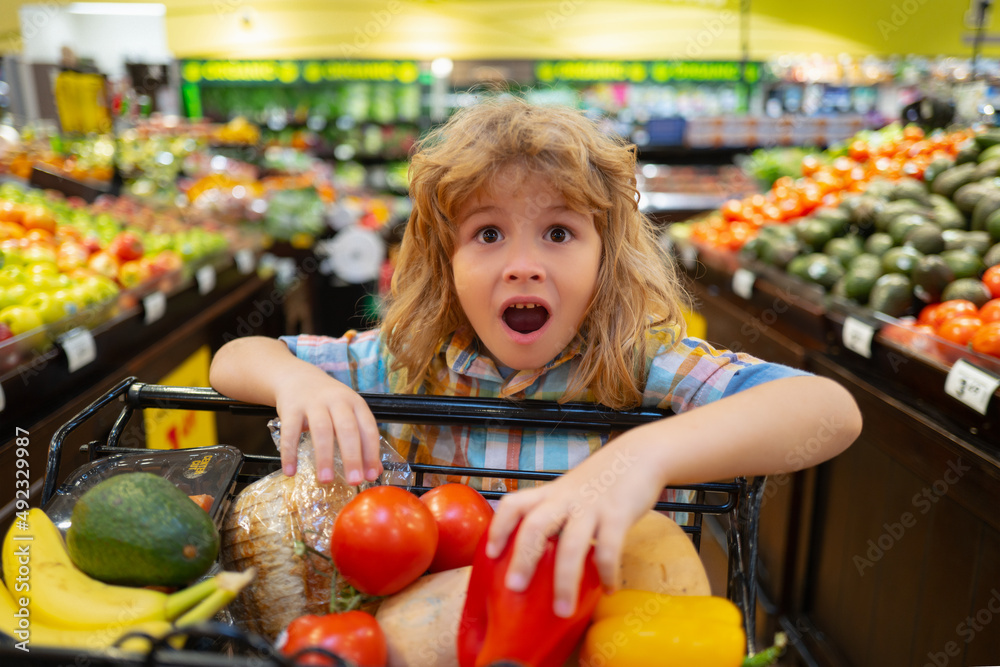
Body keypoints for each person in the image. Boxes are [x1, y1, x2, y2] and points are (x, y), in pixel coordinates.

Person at [210, 95, 862, 619]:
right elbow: (237, 356)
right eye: (488, 234)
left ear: (606, 258)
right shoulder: (409, 359)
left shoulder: (637, 362)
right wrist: (296, 379)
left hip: (598, 630)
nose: (523, 266)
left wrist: (638, 457)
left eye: (559, 233)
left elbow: (829, 411)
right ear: (446, 263)